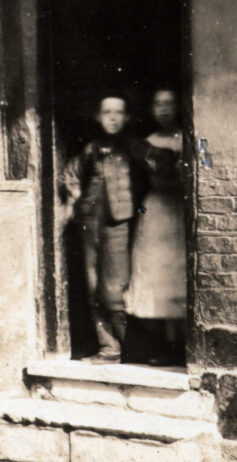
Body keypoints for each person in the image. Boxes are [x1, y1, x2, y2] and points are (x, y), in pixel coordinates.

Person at [63, 94, 144, 361]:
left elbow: (163, 165)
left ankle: (132, 348)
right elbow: (71, 173)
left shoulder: (135, 147)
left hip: (118, 225)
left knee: (115, 290)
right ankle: (109, 348)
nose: (112, 117)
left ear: (127, 117)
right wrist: (74, 199)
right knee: (93, 286)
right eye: (106, 112)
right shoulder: (92, 148)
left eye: (118, 112)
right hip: (90, 225)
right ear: (98, 117)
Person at [126, 86, 189, 365]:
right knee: (156, 273)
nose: (164, 109)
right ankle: (162, 344)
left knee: (180, 272)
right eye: (158, 104)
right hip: (157, 211)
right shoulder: (147, 142)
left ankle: (183, 344)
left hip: (180, 208)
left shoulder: (187, 138)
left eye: (170, 103)